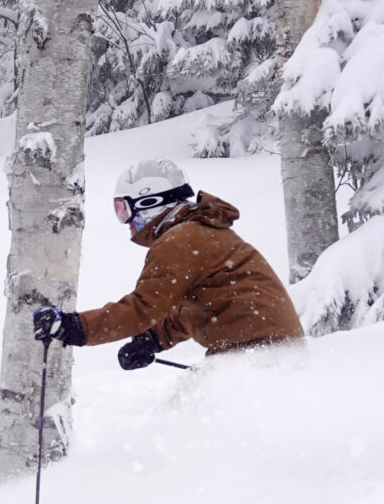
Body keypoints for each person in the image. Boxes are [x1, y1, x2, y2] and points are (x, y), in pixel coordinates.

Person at [33, 158, 305, 369]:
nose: (126, 222)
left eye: (124, 209)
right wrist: (153, 339)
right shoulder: (196, 232)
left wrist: (76, 327)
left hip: (256, 354)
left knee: (188, 426)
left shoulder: (180, 239)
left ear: (150, 201)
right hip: (268, 348)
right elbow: (206, 306)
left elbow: (143, 307)